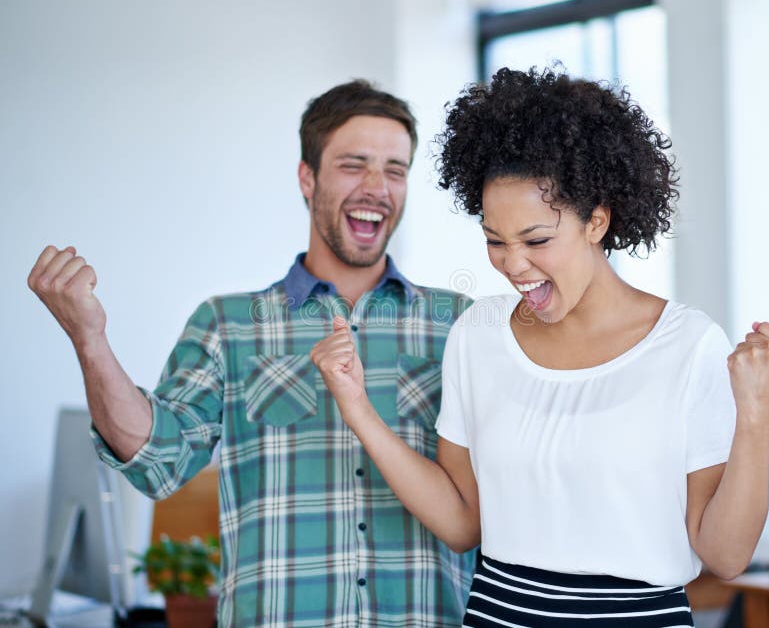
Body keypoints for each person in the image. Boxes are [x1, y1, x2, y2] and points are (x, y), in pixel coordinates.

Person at [310, 67, 769, 627]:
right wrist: (357, 409)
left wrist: (756, 413)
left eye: (536, 239)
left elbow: (726, 556)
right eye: (495, 240)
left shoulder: (687, 345)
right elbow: (462, 522)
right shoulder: (478, 335)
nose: (514, 264)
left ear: (597, 222)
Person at [27, 80, 475, 627]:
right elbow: (157, 464)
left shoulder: (457, 324)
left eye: (395, 170)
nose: (377, 187)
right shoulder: (227, 325)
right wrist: (89, 339)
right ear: (307, 178)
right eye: (354, 165)